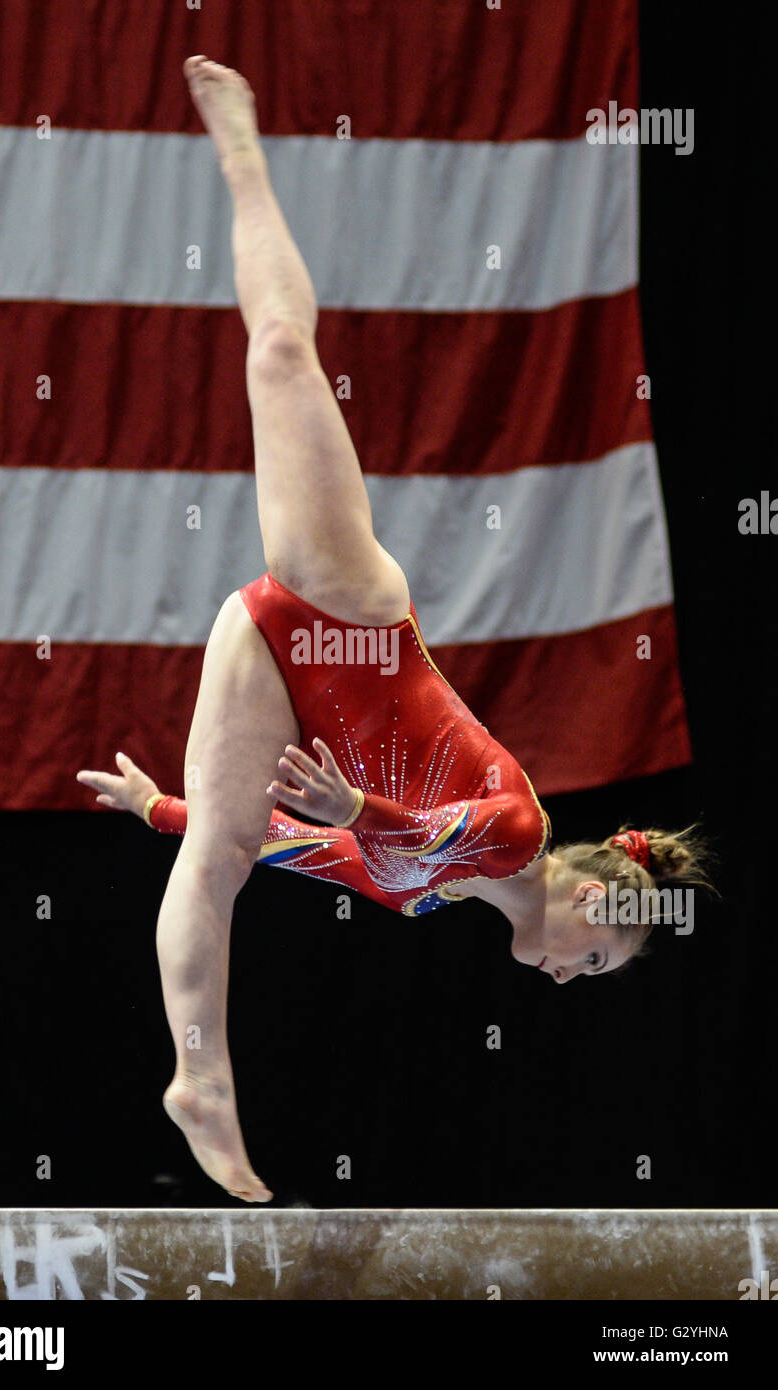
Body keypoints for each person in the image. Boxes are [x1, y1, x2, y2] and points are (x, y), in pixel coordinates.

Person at [77, 57, 712, 1204]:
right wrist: (358, 810)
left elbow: (299, 848)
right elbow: (429, 823)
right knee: (278, 350)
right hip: (351, 623)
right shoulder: (516, 825)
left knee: (211, 852)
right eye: (599, 955)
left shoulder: (427, 898)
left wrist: (160, 807)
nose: (575, 977)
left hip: (277, 674)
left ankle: (199, 1079)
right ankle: (241, 148)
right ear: (594, 895)